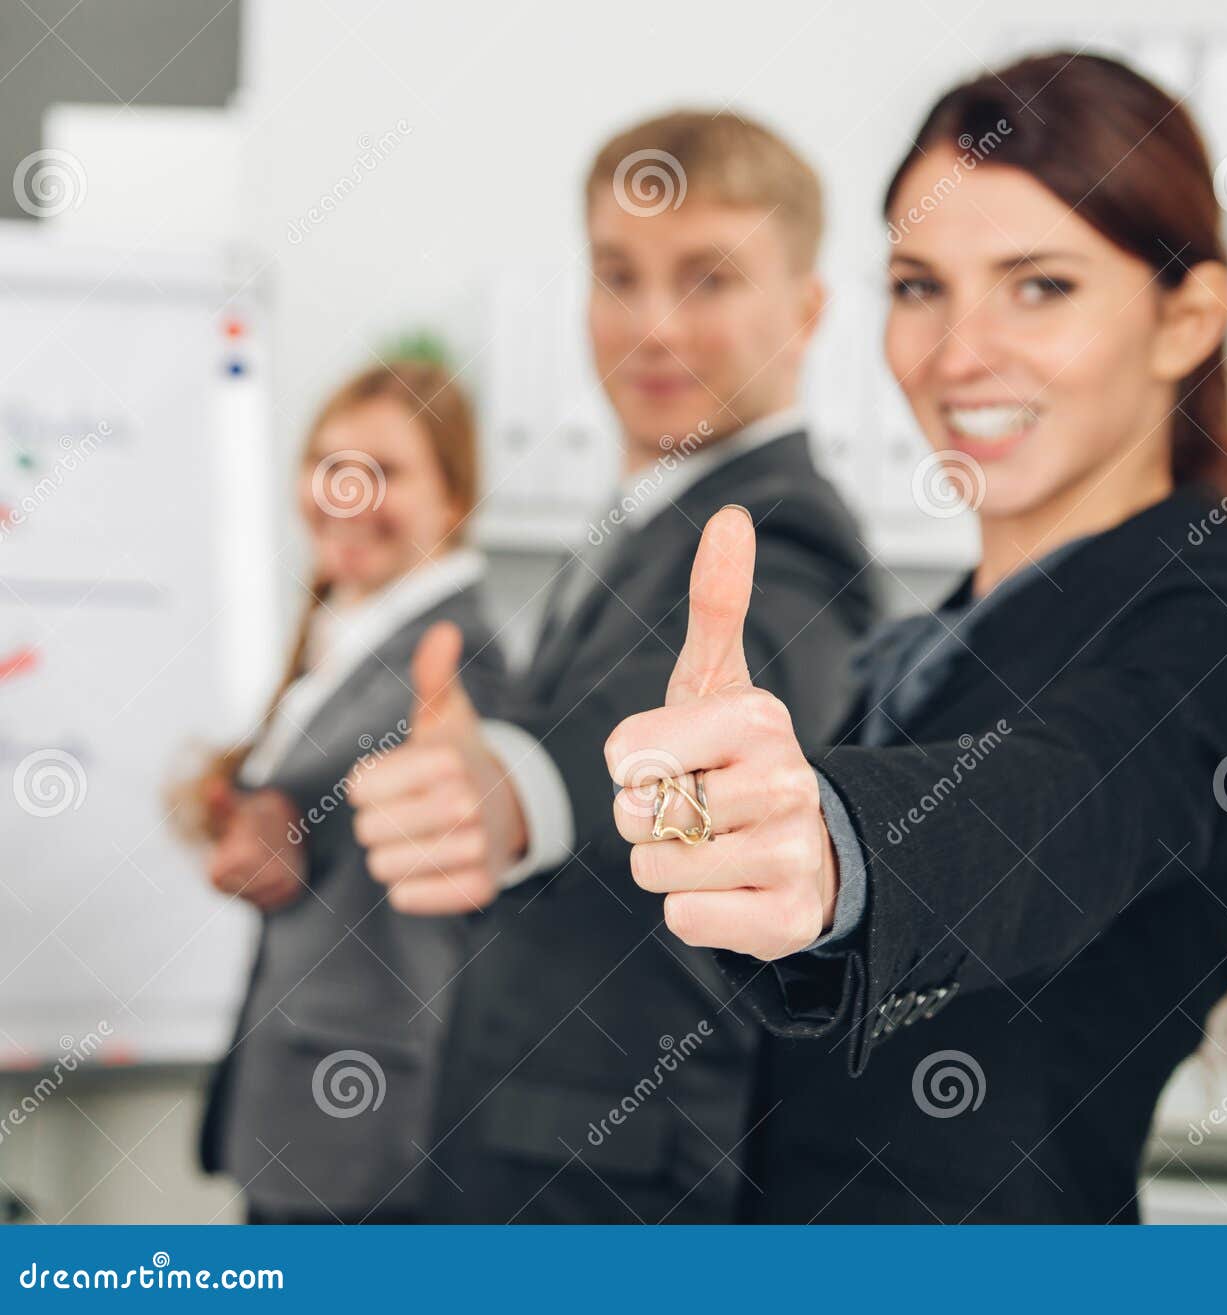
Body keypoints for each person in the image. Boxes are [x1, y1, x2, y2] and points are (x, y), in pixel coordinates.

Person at [604, 53, 1227, 1223]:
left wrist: (837, 845)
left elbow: (1064, 799)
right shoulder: (933, 640)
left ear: (1183, 319)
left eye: (1038, 286)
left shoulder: (1224, 622)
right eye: (918, 286)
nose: (957, 353)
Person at [346, 111, 878, 1222]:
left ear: (808, 310)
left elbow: (677, 705)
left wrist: (511, 789)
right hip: (531, 1144)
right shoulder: (637, 522)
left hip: (616, 1174)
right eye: (617, 276)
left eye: (708, 279)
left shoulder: (783, 535)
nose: (652, 326)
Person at [177, 361, 505, 1223]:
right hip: (307, 1105)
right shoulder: (346, 635)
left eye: (386, 470)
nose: (347, 492)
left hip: (369, 1125)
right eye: (328, 463)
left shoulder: (454, 663)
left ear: (455, 499)